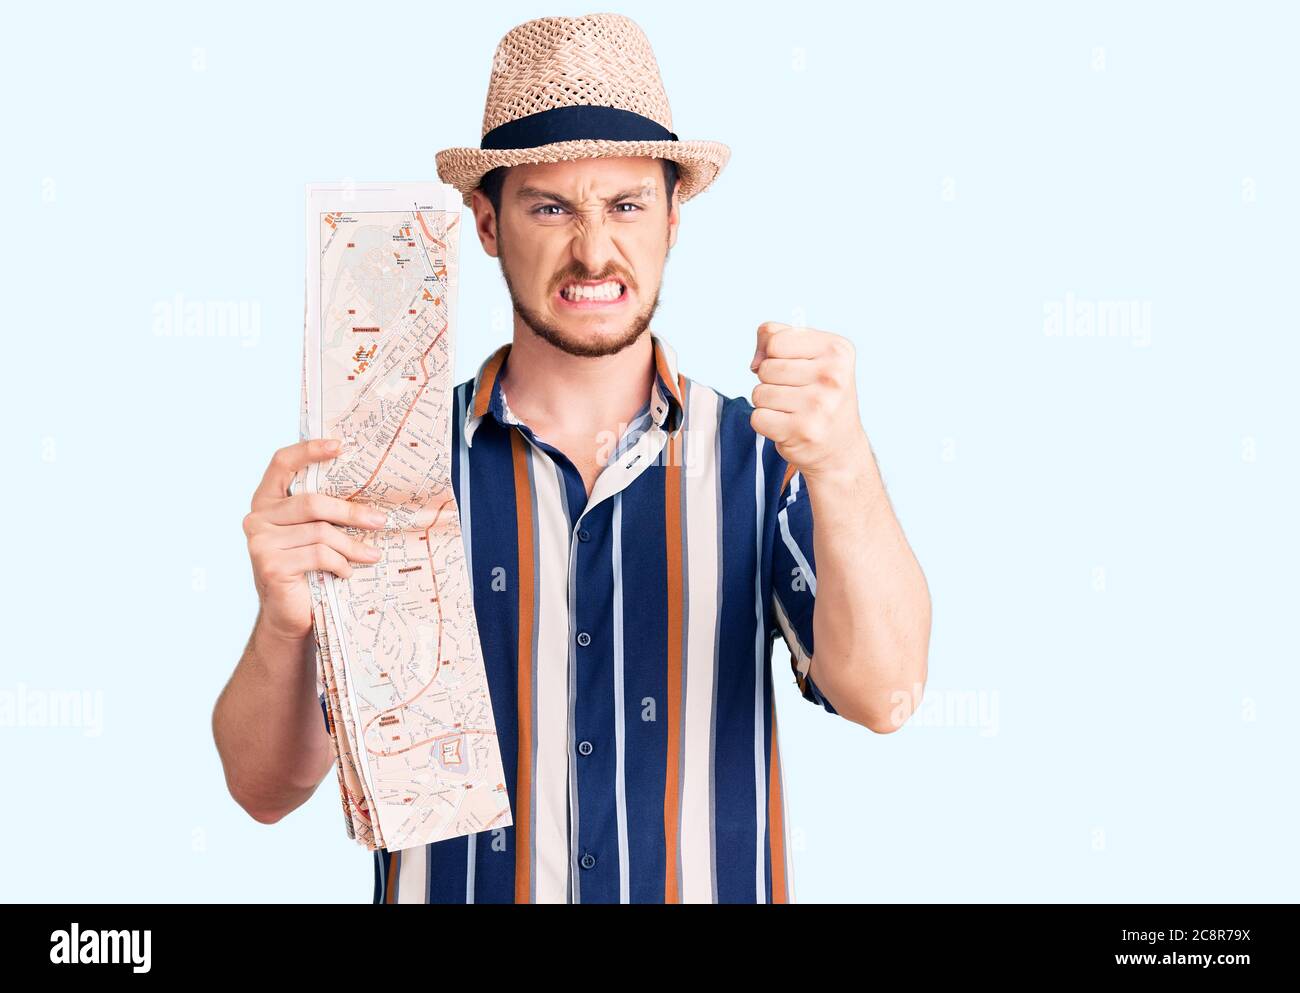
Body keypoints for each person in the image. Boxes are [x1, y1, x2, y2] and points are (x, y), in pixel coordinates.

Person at [212, 12, 931, 903]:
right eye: (551, 207)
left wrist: (848, 464)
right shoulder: (384, 473)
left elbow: (887, 695)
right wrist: (285, 623)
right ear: (485, 222)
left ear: (675, 216)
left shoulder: (765, 458)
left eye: (627, 204)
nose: (594, 248)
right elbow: (262, 788)